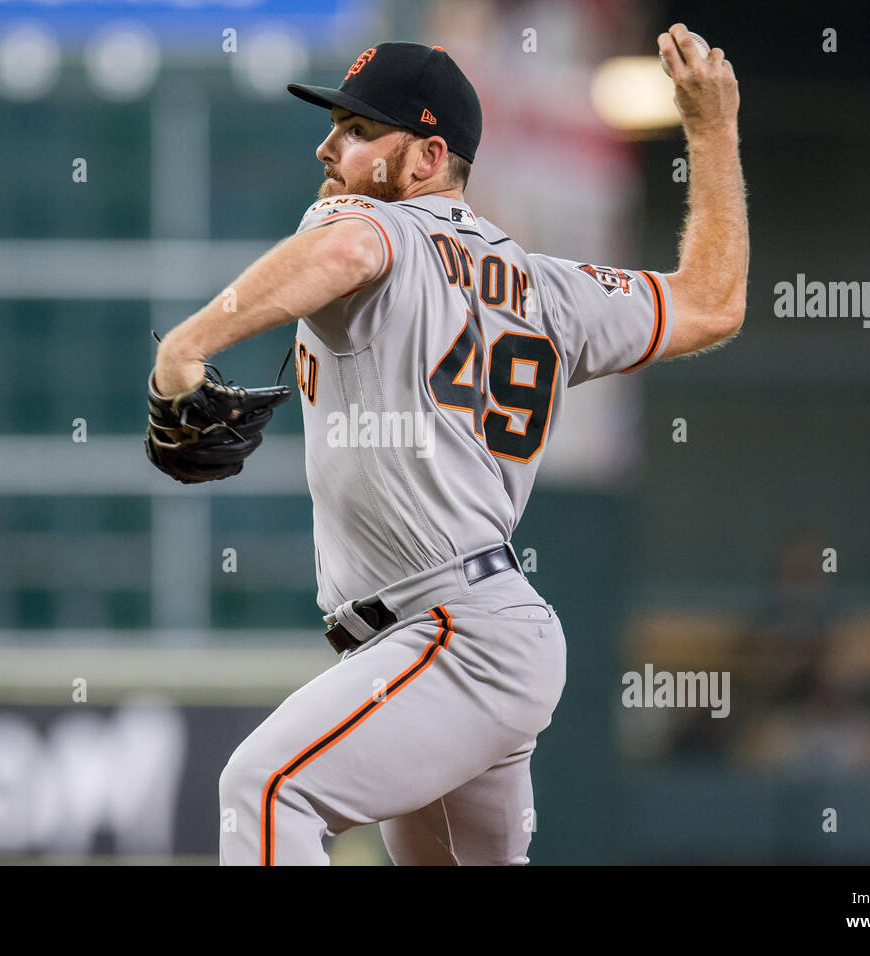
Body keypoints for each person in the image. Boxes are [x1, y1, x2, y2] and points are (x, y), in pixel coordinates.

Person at [152, 31, 747, 865]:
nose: (330, 146)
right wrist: (712, 130)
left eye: (360, 131)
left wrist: (185, 346)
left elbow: (351, 246)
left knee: (268, 788)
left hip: (451, 631)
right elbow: (712, 302)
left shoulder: (377, 226)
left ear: (428, 158)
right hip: (467, 637)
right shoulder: (551, 289)